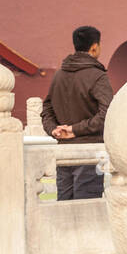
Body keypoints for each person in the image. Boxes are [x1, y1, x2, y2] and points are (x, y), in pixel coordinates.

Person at [41, 25, 114, 201]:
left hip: (64, 152)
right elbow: (108, 114)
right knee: (87, 205)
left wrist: (54, 130)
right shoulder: (97, 76)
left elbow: (46, 110)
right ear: (94, 47)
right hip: (89, 152)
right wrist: (75, 129)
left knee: (64, 203)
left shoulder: (59, 75)